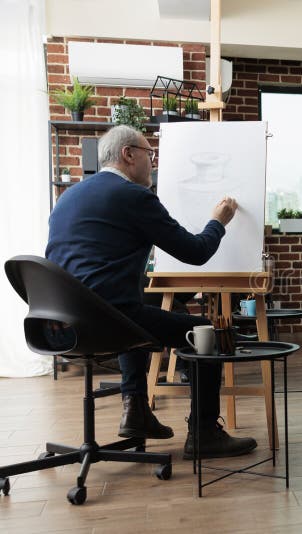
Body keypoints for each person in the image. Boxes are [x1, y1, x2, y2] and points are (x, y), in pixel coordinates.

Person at [46, 125, 257, 460]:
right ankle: (204, 434)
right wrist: (219, 220)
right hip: (106, 324)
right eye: (149, 154)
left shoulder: (68, 197)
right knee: (205, 333)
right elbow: (196, 251)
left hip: (60, 326)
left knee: (138, 306)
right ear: (129, 154)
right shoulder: (133, 196)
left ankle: (136, 410)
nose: (153, 163)